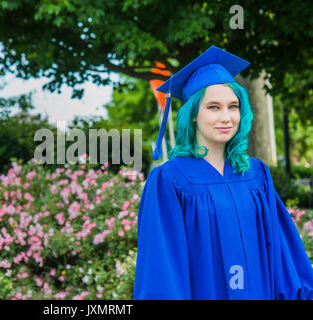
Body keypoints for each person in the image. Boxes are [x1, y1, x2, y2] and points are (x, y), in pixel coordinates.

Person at [134, 46, 313, 300]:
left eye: (233, 106)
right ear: (193, 114)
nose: (227, 117)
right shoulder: (170, 180)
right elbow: (162, 269)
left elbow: (283, 254)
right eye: (214, 107)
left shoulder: (255, 175)